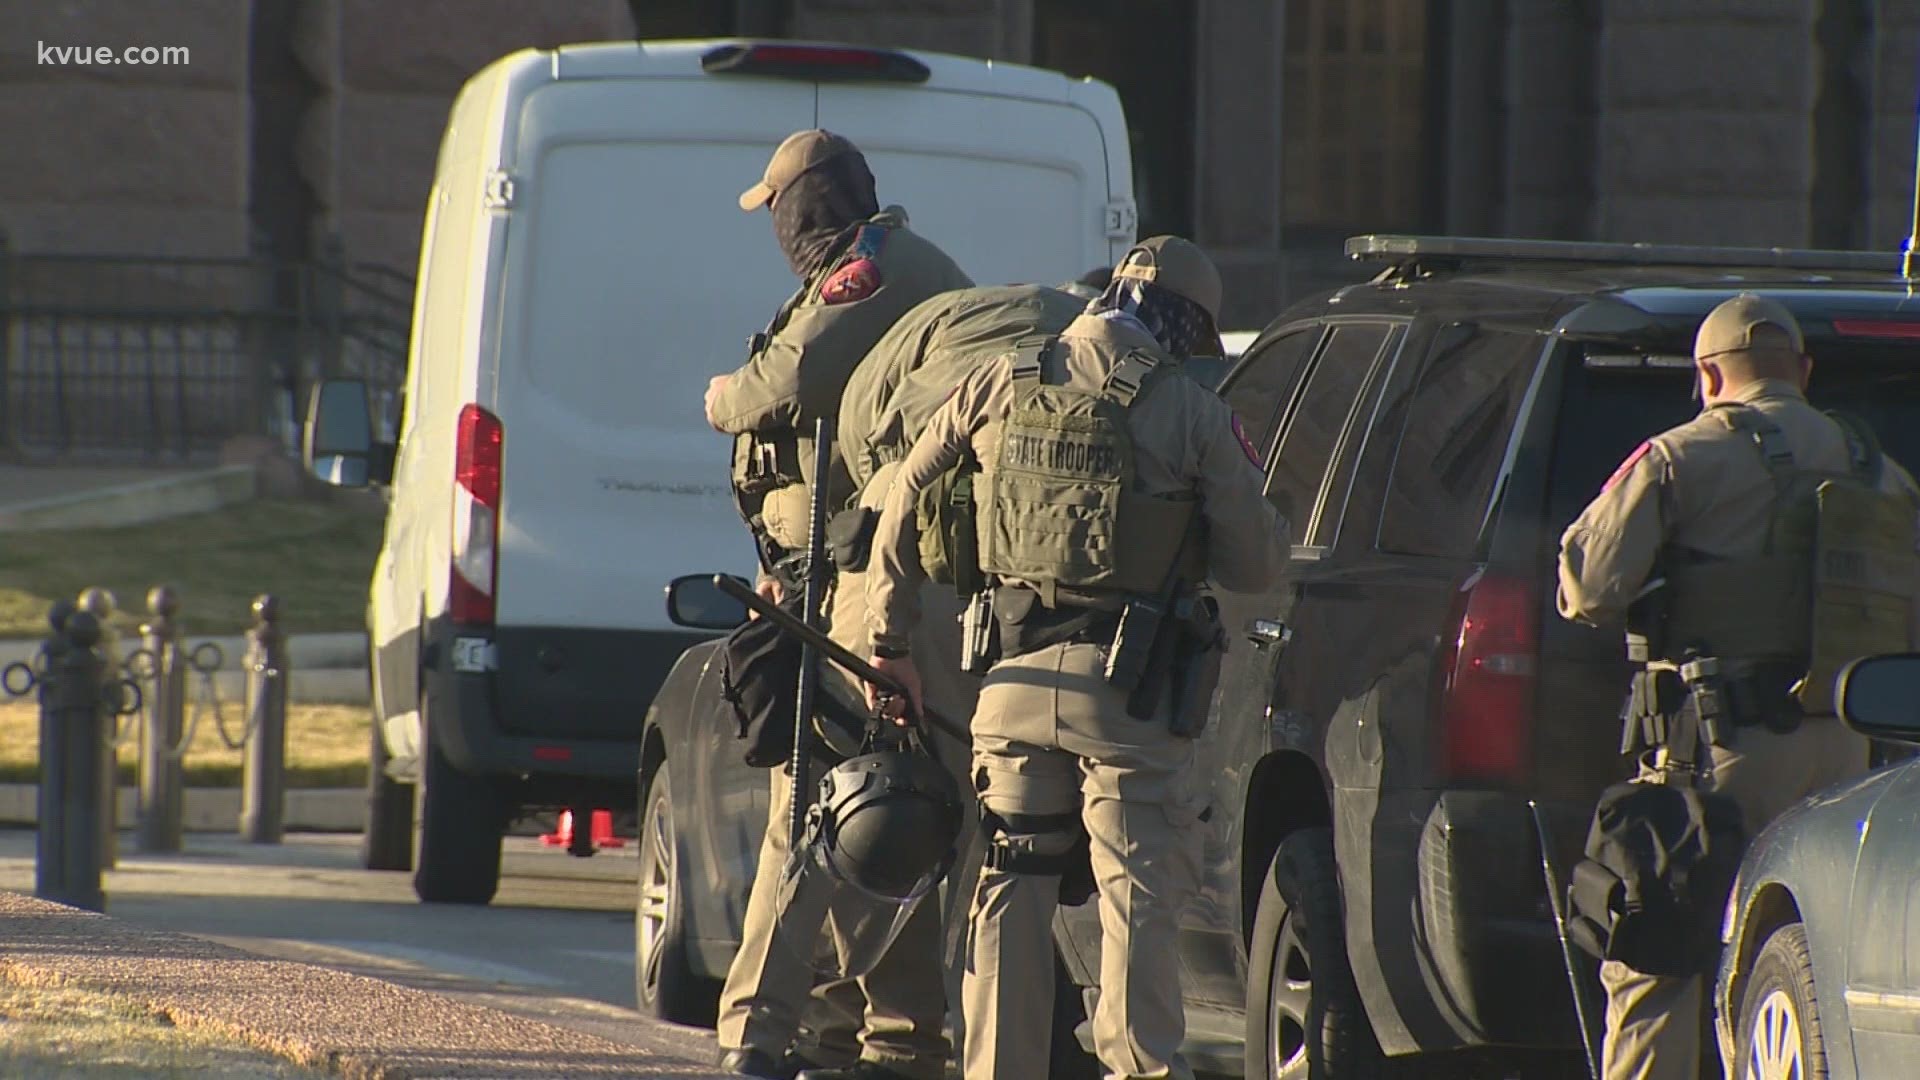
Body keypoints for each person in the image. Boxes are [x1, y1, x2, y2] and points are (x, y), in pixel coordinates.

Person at [856, 236, 1292, 1080]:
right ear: (1188, 326)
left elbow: (902, 493)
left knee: (1012, 885)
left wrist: (890, 641)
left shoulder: (1002, 378)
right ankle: (1137, 1070)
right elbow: (1255, 566)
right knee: (1136, 893)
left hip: (1009, 685)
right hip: (1125, 699)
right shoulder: (1188, 411)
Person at [1557, 293, 1920, 1080]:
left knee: (1659, 963)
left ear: (1707, 377)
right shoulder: (1884, 475)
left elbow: (1588, 587)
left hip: (1718, 759)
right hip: (1850, 760)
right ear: (1806, 371)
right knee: (1798, 969)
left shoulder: (1681, 457)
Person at [708, 128, 971, 1080]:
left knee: (821, 815)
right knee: (890, 809)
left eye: (781, 213)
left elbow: (790, 382)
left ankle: (762, 1040)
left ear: (805, 211)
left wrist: (720, 398)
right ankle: (890, 1042)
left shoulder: (876, 269)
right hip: (863, 575)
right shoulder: (886, 263)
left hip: (879, 587)